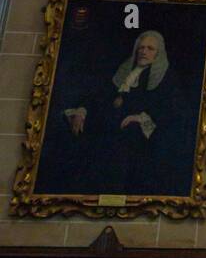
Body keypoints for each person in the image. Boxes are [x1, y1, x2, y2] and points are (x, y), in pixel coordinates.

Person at [45, 31, 191, 197]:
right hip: (107, 125)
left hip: (136, 136)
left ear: (158, 53)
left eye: (150, 49)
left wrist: (141, 118)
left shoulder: (166, 78)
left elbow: (172, 111)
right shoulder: (124, 71)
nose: (144, 52)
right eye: (141, 48)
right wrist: (82, 110)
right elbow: (101, 97)